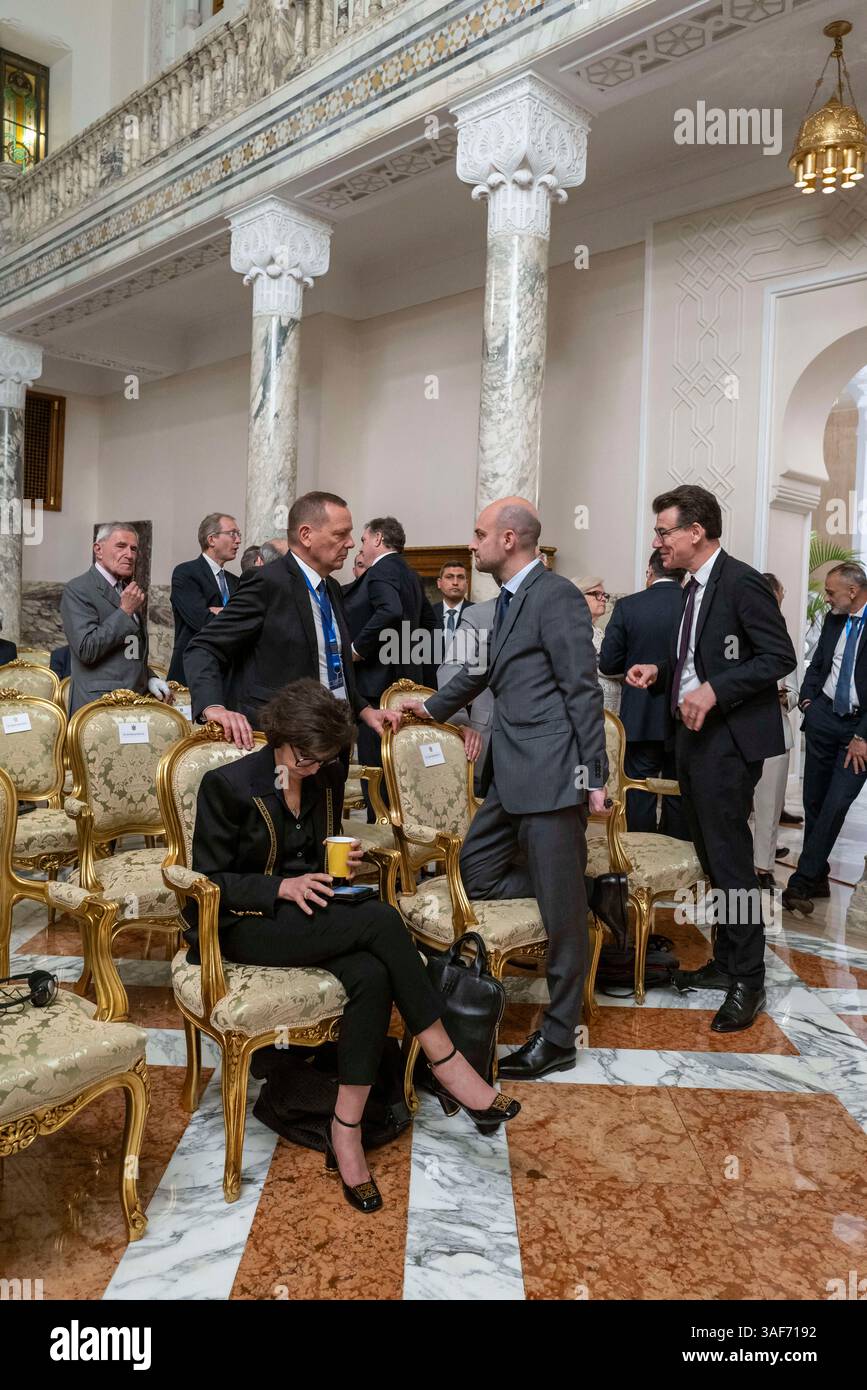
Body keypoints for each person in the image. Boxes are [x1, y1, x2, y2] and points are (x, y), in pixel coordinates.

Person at [185, 679, 519, 1213]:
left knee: (372, 973)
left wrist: (339, 864)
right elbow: (208, 881)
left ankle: (345, 1130)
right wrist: (280, 887)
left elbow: (312, 855)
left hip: (305, 915)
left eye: (323, 760)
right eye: (306, 758)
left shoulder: (324, 776)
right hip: (240, 923)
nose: (314, 768)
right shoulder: (226, 785)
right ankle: (446, 1059)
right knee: (384, 921)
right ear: (281, 738)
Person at [406, 497, 611, 1080]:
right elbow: (479, 672)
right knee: (474, 871)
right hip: (510, 771)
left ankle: (559, 1035)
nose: (471, 545)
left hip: (552, 772)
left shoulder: (558, 597)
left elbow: (582, 689)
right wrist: (430, 709)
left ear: (512, 539)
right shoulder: (505, 603)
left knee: (561, 913)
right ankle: (585, 888)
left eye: (479, 534)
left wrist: (593, 775)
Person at [626, 485, 796, 1033]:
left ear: (695, 531)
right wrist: (660, 672)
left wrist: (715, 691)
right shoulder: (691, 587)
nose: (658, 541)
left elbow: (778, 657)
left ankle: (749, 979)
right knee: (713, 859)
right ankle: (725, 963)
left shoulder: (741, 581)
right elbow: (697, 655)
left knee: (732, 865)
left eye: (664, 531)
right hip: (693, 739)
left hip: (729, 743)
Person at [183, 491, 399, 754]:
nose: (351, 543)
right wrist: (212, 707)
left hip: (334, 735)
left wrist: (364, 710)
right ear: (306, 535)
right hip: (286, 741)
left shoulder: (330, 586)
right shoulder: (267, 583)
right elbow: (203, 647)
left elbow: (330, 665)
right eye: (340, 534)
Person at [782, 562, 867, 915]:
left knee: (836, 804)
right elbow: (817, 664)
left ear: (853, 591)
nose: (826, 597)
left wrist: (863, 736)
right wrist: (808, 701)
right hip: (823, 718)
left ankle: (800, 882)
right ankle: (817, 877)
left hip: (858, 731)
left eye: (831, 592)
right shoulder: (833, 619)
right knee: (814, 802)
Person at [343, 515, 437, 815]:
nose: (361, 545)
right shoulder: (409, 573)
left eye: (363, 539)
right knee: (401, 772)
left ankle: (380, 840)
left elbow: (390, 611)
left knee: (377, 774)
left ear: (378, 539)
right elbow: (430, 626)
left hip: (375, 688)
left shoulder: (381, 570)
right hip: (407, 687)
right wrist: (417, 671)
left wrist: (357, 648)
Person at [599, 551, 688, 836]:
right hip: (684, 716)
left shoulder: (628, 606)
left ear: (650, 572)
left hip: (641, 715)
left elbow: (609, 662)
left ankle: (640, 860)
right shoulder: (693, 605)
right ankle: (677, 860)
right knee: (679, 793)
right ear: (682, 574)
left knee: (639, 793)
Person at [61, 522, 171, 715]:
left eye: (134, 549)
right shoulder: (78, 589)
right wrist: (125, 611)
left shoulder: (126, 589)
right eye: (121, 546)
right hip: (97, 707)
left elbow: (130, 651)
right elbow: (87, 649)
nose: (129, 555)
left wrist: (150, 678)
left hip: (135, 701)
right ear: (98, 550)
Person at [752, 574, 798, 889]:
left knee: (769, 806)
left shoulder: (784, 638)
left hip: (775, 731)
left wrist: (785, 696)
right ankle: (735, 865)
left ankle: (763, 869)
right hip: (739, 729)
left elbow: (794, 690)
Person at [168, 513, 241, 682]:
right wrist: (231, 615)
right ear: (211, 539)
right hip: (192, 672)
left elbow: (243, 624)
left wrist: (220, 612)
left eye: (238, 535)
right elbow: (201, 621)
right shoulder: (186, 573)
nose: (238, 540)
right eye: (232, 534)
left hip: (228, 673)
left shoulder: (235, 581)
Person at [574, 577, 621, 714]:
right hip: (590, 707)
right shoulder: (575, 630)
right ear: (577, 597)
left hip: (612, 708)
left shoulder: (599, 631)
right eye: (596, 594)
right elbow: (600, 665)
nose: (602, 598)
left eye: (604, 595)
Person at [432, 561, 472, 643]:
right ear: (439, 583)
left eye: (460, 577)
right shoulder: (429, 613)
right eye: (449, 577)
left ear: (467, 584)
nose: (455, 583)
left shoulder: (477, 613)